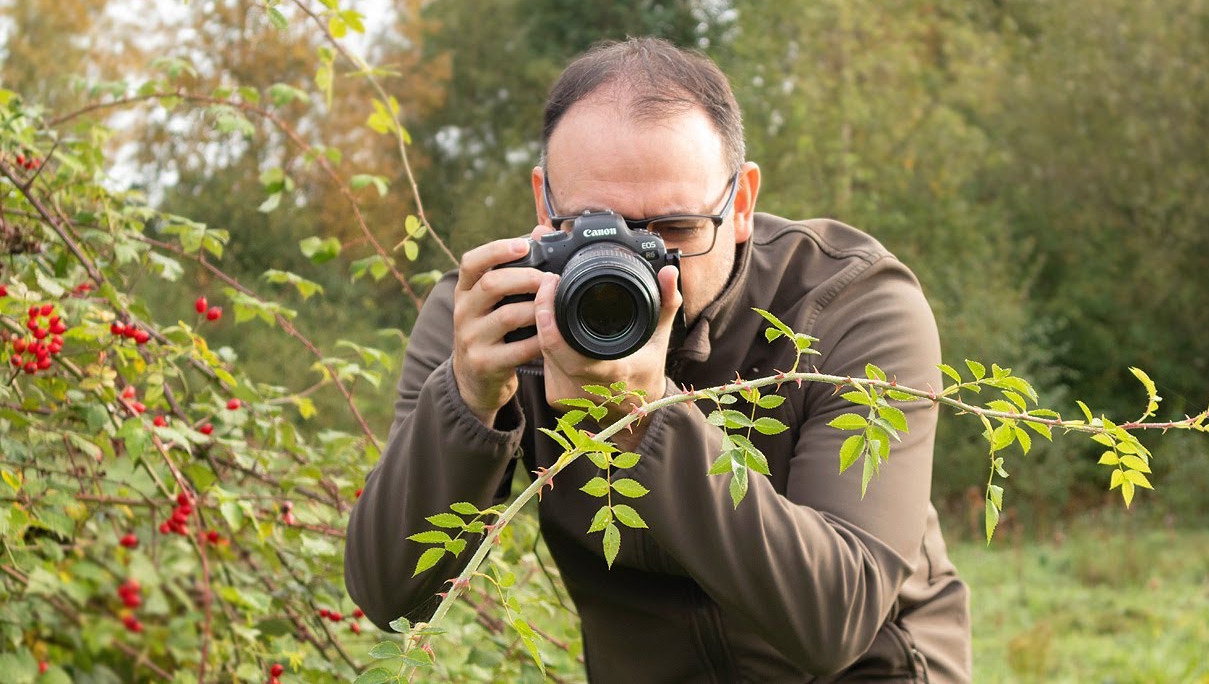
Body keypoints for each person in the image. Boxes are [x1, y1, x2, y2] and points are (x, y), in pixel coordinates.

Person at [345, 37, 971, 683]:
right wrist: (469, 400)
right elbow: (387, 595)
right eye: (597, 223)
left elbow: (836, 622)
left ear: (742, 204)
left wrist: (644, 419)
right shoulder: (492, 318)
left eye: (674, 229)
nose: (641, 262)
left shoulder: (848, 304)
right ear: (544, 205)